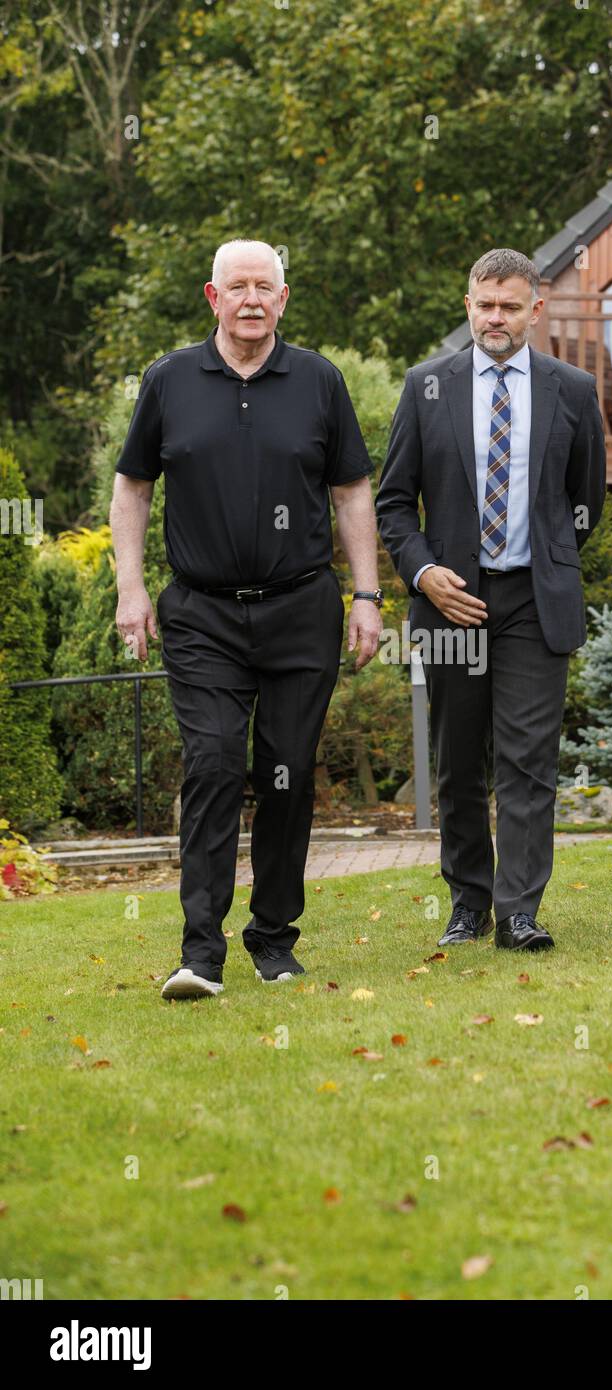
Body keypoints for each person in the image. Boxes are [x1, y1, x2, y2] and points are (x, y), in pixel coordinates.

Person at [111, 239, 382, 999]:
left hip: (302, 610)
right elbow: (131, 488)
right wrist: (130, 589)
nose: (253, 299)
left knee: (287, 776)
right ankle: (201, 952)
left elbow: (353, 491)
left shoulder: (319, 381)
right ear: (213, 297)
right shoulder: (168, 381)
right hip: (201, 615)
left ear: (284, 300)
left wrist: (367, 596)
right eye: (239, 287)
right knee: (214, 767)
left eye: (267, 286)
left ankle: (273, 939)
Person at [376, 247, 606, 952]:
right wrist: (424, 575)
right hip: (452, 605)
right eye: (484, 305)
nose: (495, 318)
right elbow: (392, 504)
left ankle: (519, 912)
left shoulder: (572, 389)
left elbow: (585, 500)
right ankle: (468, 902)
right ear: (467, 305)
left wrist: (550, 560)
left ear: (535, 309)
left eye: (510, 305)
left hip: (534, 602)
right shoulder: (426, 387)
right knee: (457, 761)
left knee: (528, 761)